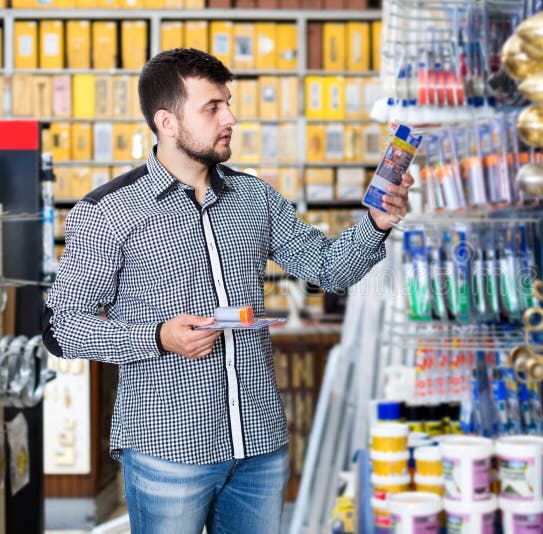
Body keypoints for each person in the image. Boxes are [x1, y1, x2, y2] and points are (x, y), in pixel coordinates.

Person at [42, 48, 413, 533]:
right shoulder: (108, 212)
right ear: (167, 122)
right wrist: (157, 337)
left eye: (228, 103)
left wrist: (377, 223)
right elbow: (62, 328)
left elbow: (329, 269)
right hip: (167, 449)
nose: (231, 118)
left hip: (259, 446)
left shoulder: (253, 196)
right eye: (212, 107)